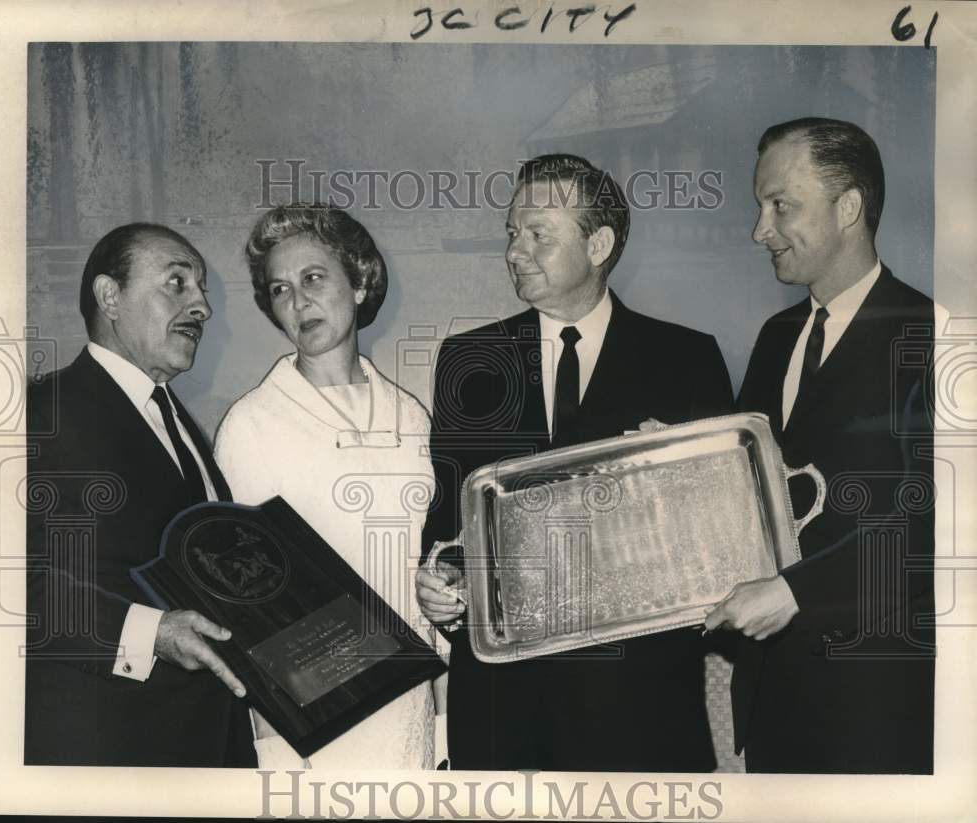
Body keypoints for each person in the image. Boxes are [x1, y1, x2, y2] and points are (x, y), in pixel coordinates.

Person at [415, 154, 735, 771]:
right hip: (504, 703)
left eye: (537, 234)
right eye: (512, 232)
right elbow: (449, 517)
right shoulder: (468, 359)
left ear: (599, 243)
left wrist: (673, 488)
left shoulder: (687, 359)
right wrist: (442, 581)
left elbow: (719, 538)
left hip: (639, 707)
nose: (514, 250)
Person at [705, 118, 935, 773]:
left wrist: (796, 591)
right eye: (760, 207)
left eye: (780, 205)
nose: (760, 229)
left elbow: (940, 524)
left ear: (850, 207)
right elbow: (756, 489)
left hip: (883, 713)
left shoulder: (935, 336)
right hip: (776, 704)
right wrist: (691, 463)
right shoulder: (777, 336)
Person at [214, 203, 439, 769]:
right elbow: (248, 611)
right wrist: (276, 755)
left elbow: (430, 579)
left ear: (359, 281)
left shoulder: (412, 417)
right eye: (280, 290)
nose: (297, 301)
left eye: (313, 278)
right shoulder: (251, 426)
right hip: (310, 724)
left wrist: (443, 724)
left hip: (411, 709)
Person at [25, 224, 255, 767]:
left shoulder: (179, 421)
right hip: (106, 755)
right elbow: (4, 586)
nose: (202, 306)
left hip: (208, 752)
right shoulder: (40, 415)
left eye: (201, 290)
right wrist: (151, 633)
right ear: (110, 297)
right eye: (177, 282)